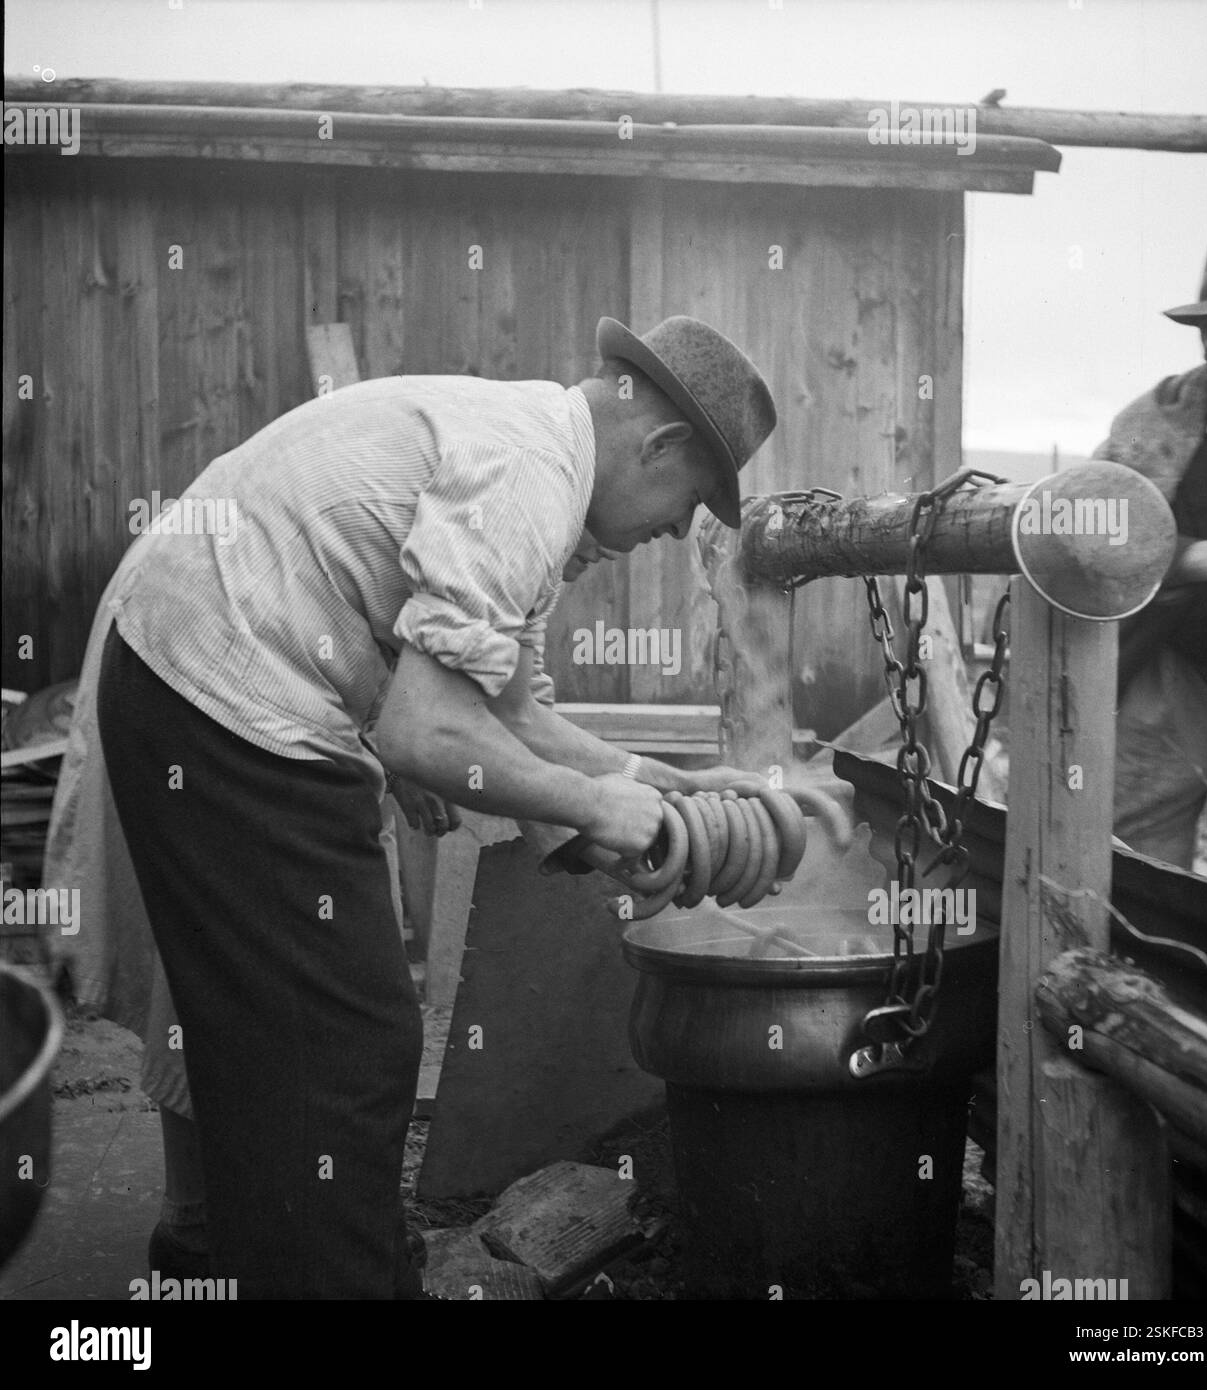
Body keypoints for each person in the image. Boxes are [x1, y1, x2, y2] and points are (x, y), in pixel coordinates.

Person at [46, 315, 777, 1298]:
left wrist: (658, 788)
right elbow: (425, 732)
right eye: (693, 503)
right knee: (342, 1038)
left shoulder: (534, 459)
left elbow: (516, 709)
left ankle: (224, 1255)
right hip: (219, 683)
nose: (681, 531)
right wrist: (602, 813)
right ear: (661, 445)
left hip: (194, 664)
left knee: (286, 1030)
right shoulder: (528, 474)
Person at [1094, 238, 1207, 888]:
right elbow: (1091, 532)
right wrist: (1201, 558)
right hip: (1169, 682)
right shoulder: (1152, 422)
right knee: (1134, 872)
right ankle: (1127, 989)